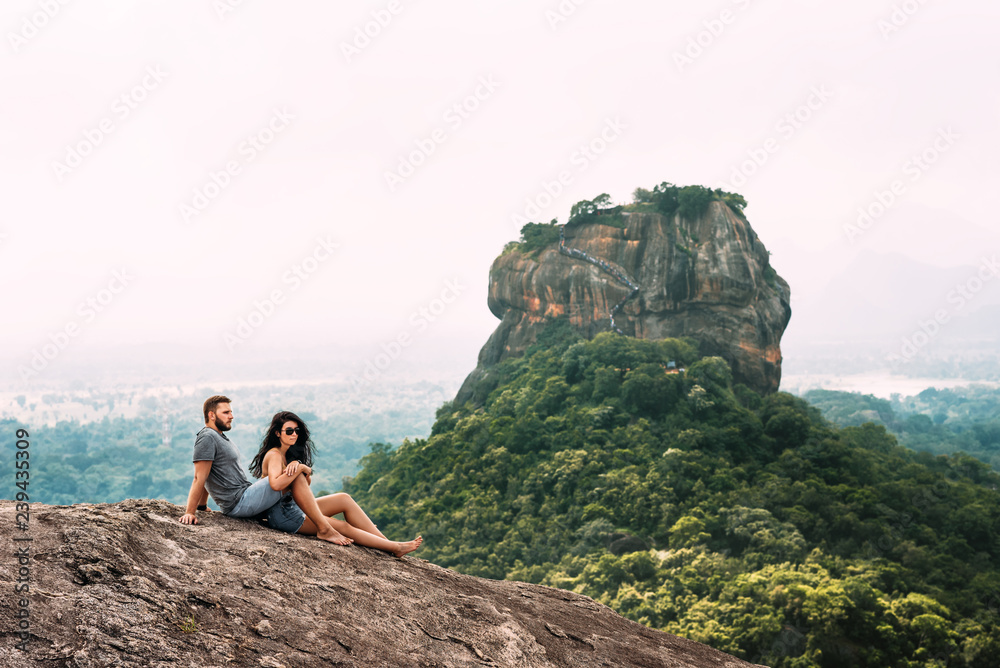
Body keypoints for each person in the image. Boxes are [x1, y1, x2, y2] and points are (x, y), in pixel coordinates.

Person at [179, 396, 422, 557]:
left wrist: (203, 505)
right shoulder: (208, 437)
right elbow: (200, 476)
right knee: (336, 519)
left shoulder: (220, 438)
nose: (231, 415)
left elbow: (212, 473)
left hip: (255, 498)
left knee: (344, 498)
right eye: (226, 412)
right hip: (244, 502)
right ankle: (331, 530)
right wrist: (191, 511)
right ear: (211, 415)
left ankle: (387, 545)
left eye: (231, 411)